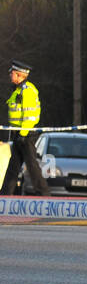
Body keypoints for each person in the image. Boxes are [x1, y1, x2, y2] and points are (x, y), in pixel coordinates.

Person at [3, 61, 49, 195]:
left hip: (27, 134)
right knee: (13, 166)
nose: (10, 76)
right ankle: (4, 195)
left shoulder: (27, 91)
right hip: (19, 133)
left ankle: (44, 194)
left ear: (19, 75)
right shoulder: (18, 90)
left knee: (31, 165)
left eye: (12, 73)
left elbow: (30, 115)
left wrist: (23, 134)